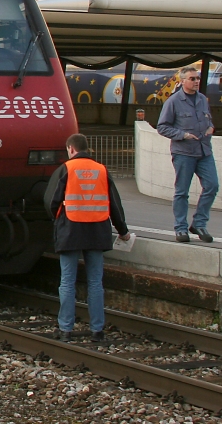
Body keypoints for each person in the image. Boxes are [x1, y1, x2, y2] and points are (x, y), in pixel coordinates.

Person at [47, 133, 130, 341]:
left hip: (71, 231)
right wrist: (123, 231)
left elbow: (52, 201)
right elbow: (114, 204)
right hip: (96, 232)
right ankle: (97, 330)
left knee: (67, 281)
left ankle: (65, 329)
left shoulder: (66, 169)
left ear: (71, 149)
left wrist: (58, 220)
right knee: (95, 282)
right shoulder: (102, 170)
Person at [156, 65, 217, 243]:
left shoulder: (203, 100)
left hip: (204, 151)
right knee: (182, 192)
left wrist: (211, 127)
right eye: (192, 79)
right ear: (182, 81)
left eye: (197, 78)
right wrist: (182, 135)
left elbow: (208, 118)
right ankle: (181, 228)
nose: (196, 81)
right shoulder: (173, 102)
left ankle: (199, 223)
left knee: (212, 185)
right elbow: (162, 126)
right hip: (184, 152)